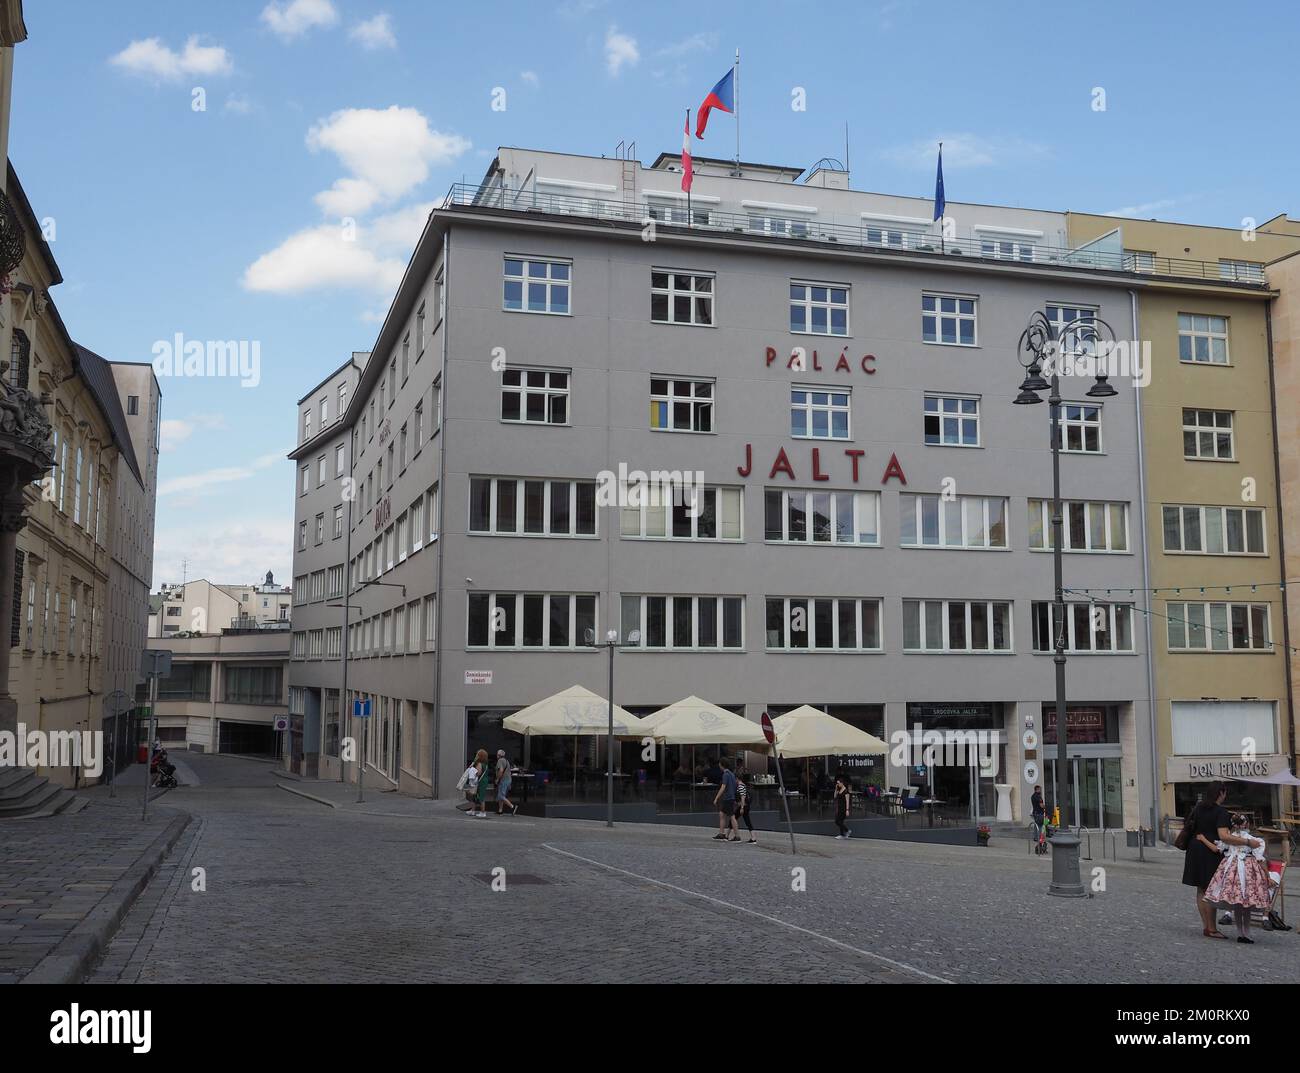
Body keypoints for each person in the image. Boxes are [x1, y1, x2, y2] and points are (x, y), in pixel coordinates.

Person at [1181, 781, 1258, 939]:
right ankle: (1212, 928)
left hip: (1195, 848)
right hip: (1209, 851)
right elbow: (1224, 836)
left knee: (1201, 889)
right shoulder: (1221, 812)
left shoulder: (1198, 808)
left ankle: (1207, 926)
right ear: (1221, 793)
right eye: (1225, 793)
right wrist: (1248, 841)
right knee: (1210, 889)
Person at [1204, 813, 1270, 944]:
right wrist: (1267, 875)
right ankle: (1246, 934)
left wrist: (1203, 838)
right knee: (1245, 906)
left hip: (1231, 870)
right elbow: (1260, 858)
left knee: (1238, 905)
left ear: (1233, 825)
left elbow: (1217, 848)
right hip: (1247, 870)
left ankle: (1241, 933)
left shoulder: (1229, 838)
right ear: (1247, 824)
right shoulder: (1252, 839)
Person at [712, 759, 739, 841]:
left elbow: (723, 787)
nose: (719, 766)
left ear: (722, 765)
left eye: (720, 764)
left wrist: (716, 798)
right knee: (722, 814)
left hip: (728, 798)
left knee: (732, 816)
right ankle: (721, 833)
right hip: (731, 797)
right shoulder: (731, 774)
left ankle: (737, 836)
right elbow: (735, 785)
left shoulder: (725, 775)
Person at [735, 765, 756, 844]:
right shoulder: (743, 785)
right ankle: (753, 837)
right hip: (745, 806)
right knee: (747, 821)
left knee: (734, 818)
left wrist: (742, 807)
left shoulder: (740, 786)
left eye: (735, 779)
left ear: (737, 779)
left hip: (744, 806)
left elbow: (743, 797)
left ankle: (729, 835)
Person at [495, 749, 518, 816]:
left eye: (497, 754)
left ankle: (512, 807)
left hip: (503, 780)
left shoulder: (500, 760)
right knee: (501, 795)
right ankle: (500, 810)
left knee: (501, 796)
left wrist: (497, 779)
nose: (496, 755)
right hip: (508, 780)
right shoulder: (506, 761)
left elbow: (501, 770)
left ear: (499, 755)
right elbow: (509, 771)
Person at [472, 748, 491, 817]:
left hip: (481, 781)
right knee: (477, 795)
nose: (476, 755)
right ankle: (473, 811)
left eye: (477, 754)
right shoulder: (485, 764)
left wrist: (473, 773)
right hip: (484, 780)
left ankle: (483, 812)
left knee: (481, 796)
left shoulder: (479, 764)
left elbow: (478, 773)